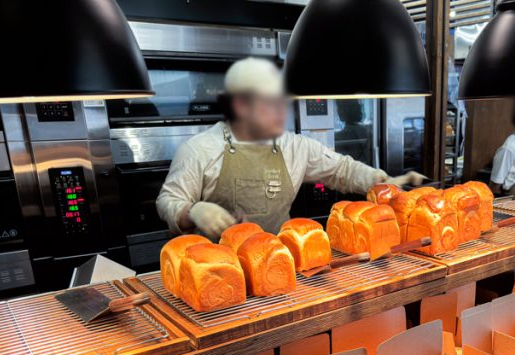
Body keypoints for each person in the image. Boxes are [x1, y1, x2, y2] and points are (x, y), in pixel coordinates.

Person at [157, 58, 422, 239]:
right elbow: (168, 201)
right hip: (217, 266)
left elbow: (342, 170)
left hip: (277, 259)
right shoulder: (199, 149)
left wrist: (384, 182)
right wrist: (193, 211)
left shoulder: (294, 147)